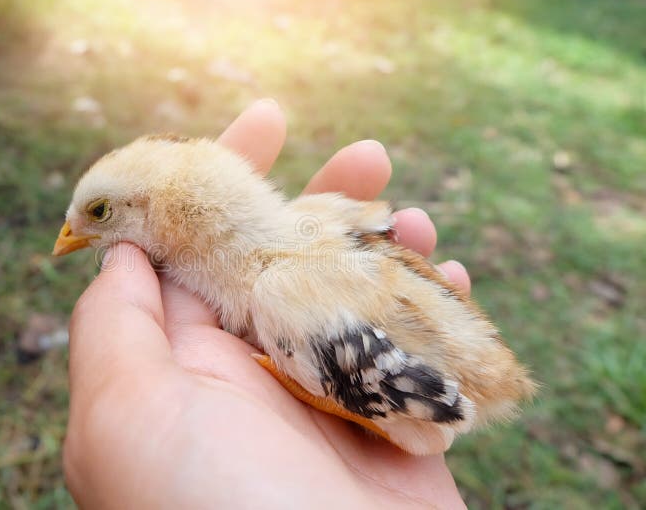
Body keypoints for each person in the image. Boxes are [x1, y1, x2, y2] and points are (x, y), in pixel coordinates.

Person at [62, 100, 470, 509]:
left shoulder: (282, 299)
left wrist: (310, 389)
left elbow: (429, 432)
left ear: (157, 210)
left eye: (100, 213)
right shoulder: (310, 218)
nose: (66, 237)